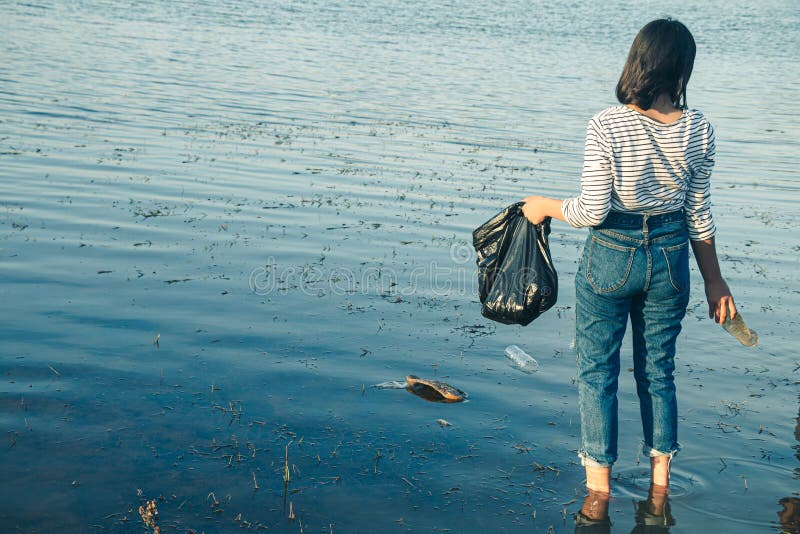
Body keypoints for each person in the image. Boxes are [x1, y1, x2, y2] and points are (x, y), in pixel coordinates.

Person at [521, 18, 737, 498]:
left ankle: (598, 494)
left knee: (597, 370)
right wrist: (715, 282)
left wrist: (543, 206)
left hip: (612, 255)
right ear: (682, 68)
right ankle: (660, 488)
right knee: (658, 369)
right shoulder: (700, 128)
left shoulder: (607, 123)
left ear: (637, 60)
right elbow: (698, 214)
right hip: (671, 256)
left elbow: (593, 210)